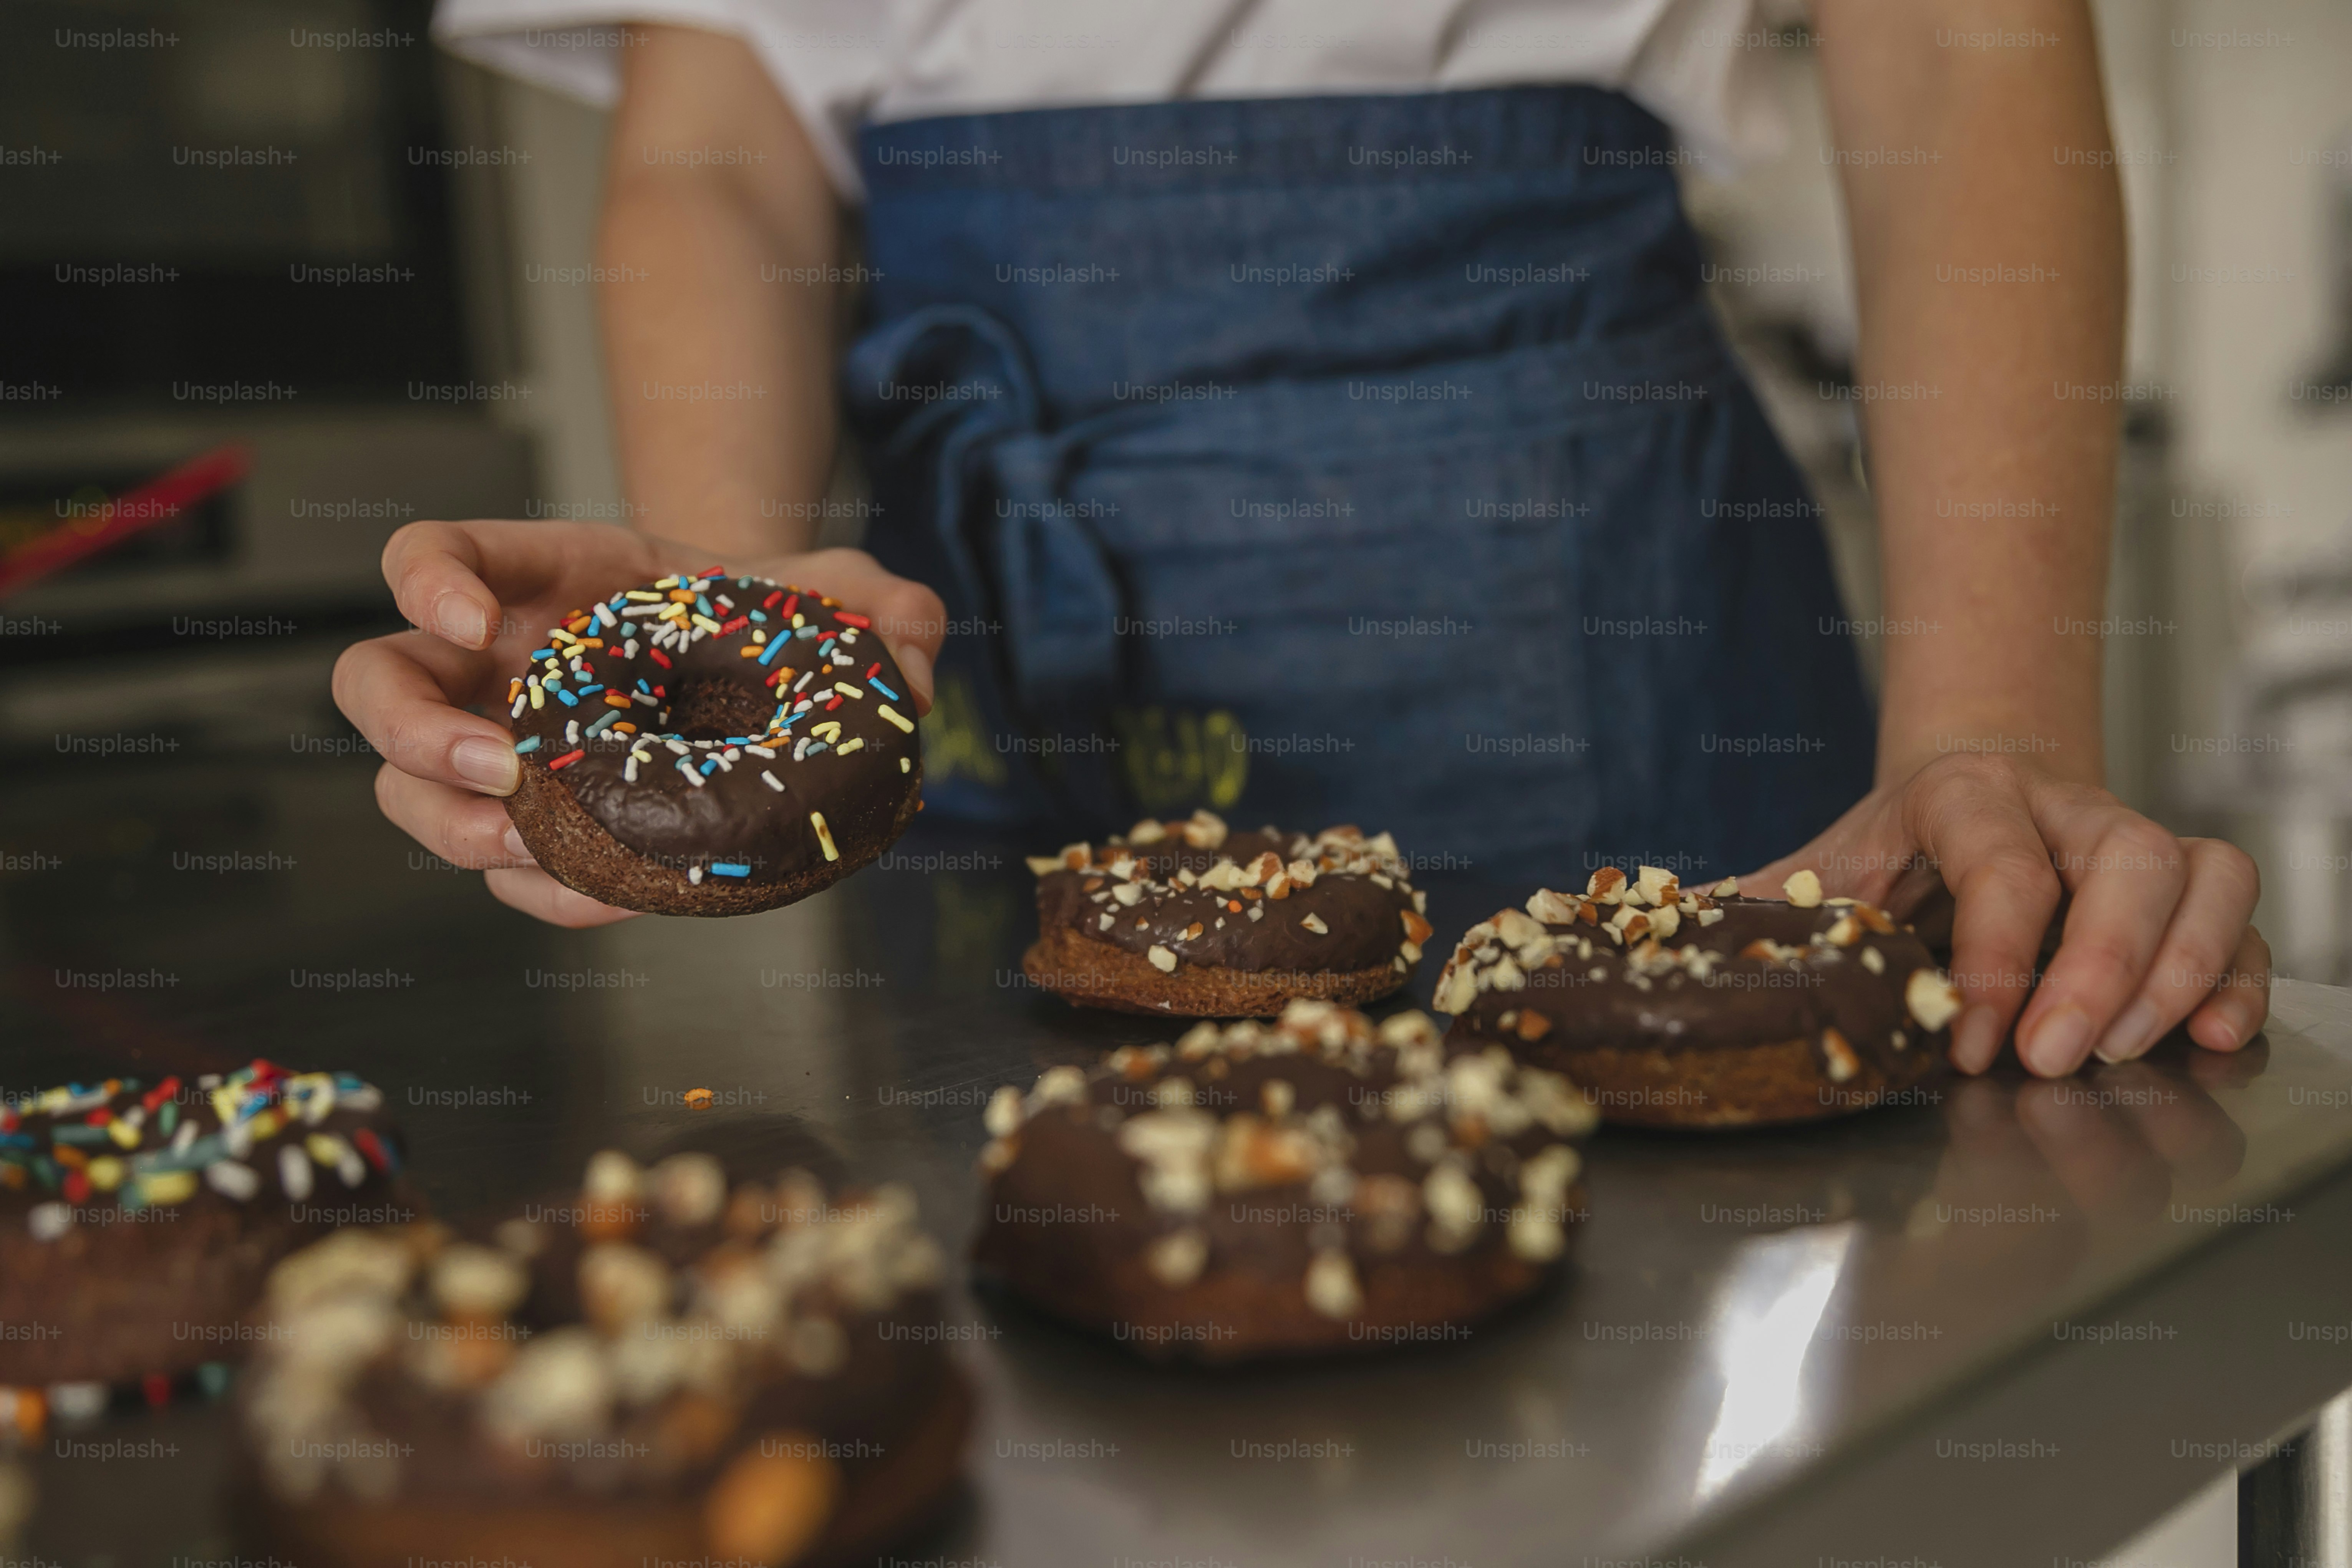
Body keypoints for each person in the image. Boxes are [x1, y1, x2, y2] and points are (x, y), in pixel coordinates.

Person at [334, 0, 2271, 1078]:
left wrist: (1994, 729)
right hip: (980, 634)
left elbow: (1953, 42)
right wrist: (735, 632)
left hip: (1590, 574)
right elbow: (712, 130)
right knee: (1072, 1330)